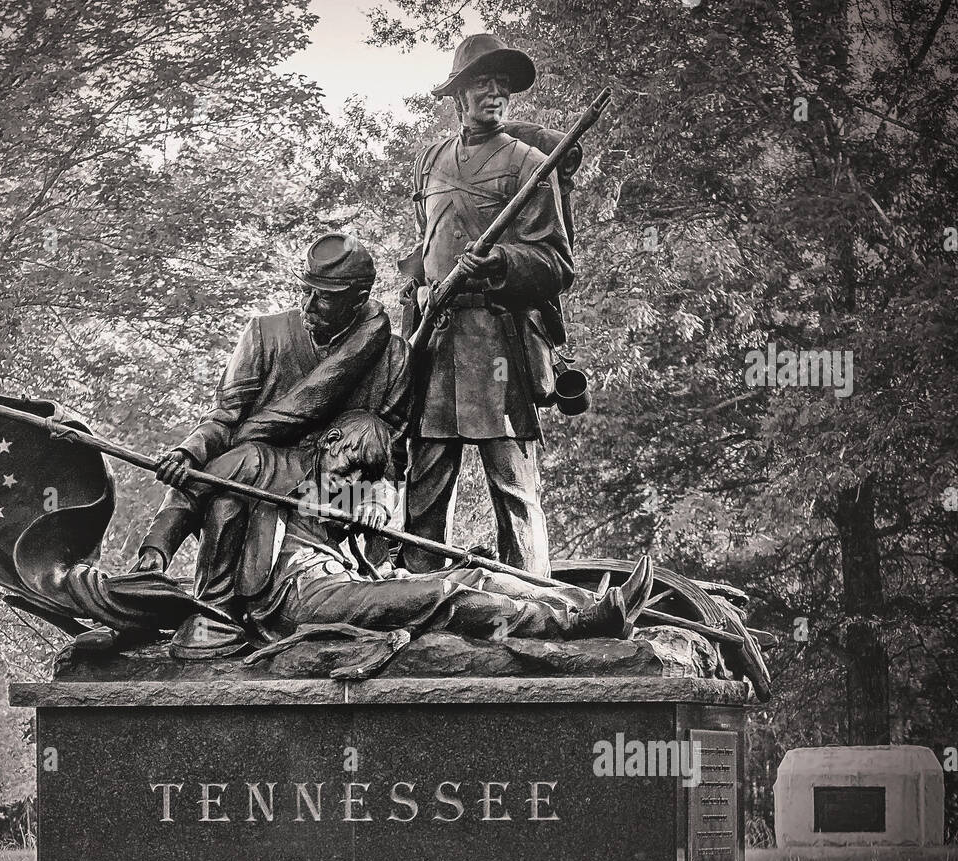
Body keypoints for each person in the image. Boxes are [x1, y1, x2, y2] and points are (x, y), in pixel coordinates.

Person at [134, 232, 409, 656]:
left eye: (325, 296)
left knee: (246, 471)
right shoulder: (265, 335)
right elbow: (225, 418)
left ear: (359, 299)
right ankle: (209, 612)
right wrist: (186, 455)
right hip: (263, 468)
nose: (309, 304)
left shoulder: (394, 356)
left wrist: (377, 500)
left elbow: (390, 458)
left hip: (339, 490)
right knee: (229, 495)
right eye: (305, 291)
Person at [240, 411, 654, 643]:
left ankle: (596, 604)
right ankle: (575, 625)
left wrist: (374, 507)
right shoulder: (270, 468)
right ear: (329, 441)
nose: (349, 481)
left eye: (359, 477)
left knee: (477, 574)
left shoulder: (339, 486)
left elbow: (374, 498)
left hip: (349, 582)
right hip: (301, 597)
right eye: (347, 469)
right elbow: (194, 496)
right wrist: (181, 463)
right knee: (445, 593)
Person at [399, 33, 574, 578]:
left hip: (498, 344)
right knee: (424, 482)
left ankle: (535, 597)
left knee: (512, 484)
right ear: (460, 94)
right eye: (482, 83)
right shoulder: (430, 161)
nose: (493, 94)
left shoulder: (529, 165)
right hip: (436, 337)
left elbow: (557, 264)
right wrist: (418, 288)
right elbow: (426, 244)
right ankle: (420, 594)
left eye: (501, 86)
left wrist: (500, 262)